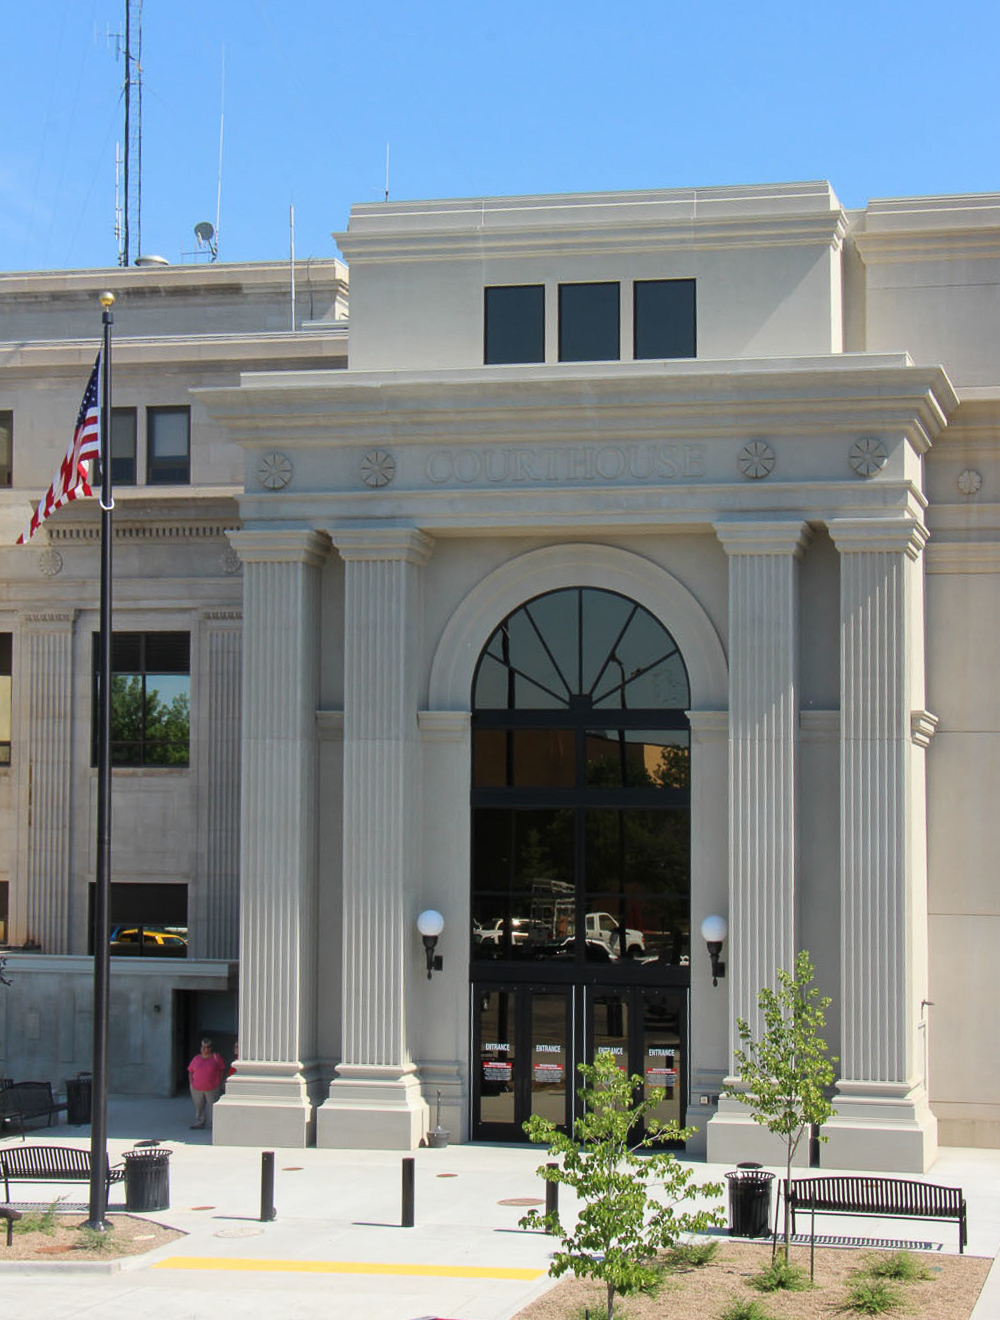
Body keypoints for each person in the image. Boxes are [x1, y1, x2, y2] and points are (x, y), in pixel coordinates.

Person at [187, 1038, 226, 1130]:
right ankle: (200, 1122)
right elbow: (190, 1071)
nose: (204, 1049)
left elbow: (222, 1070)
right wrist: (191, 1083)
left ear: (210, 1048)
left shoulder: (216, 1058)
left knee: (213, 1106)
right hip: (197, 1087)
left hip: (212, 1087)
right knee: (199, 1106)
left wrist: (220, 1082)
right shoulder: (196, 1058)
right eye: (202, 1047)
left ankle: (214, 1123)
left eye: (207, 1047)